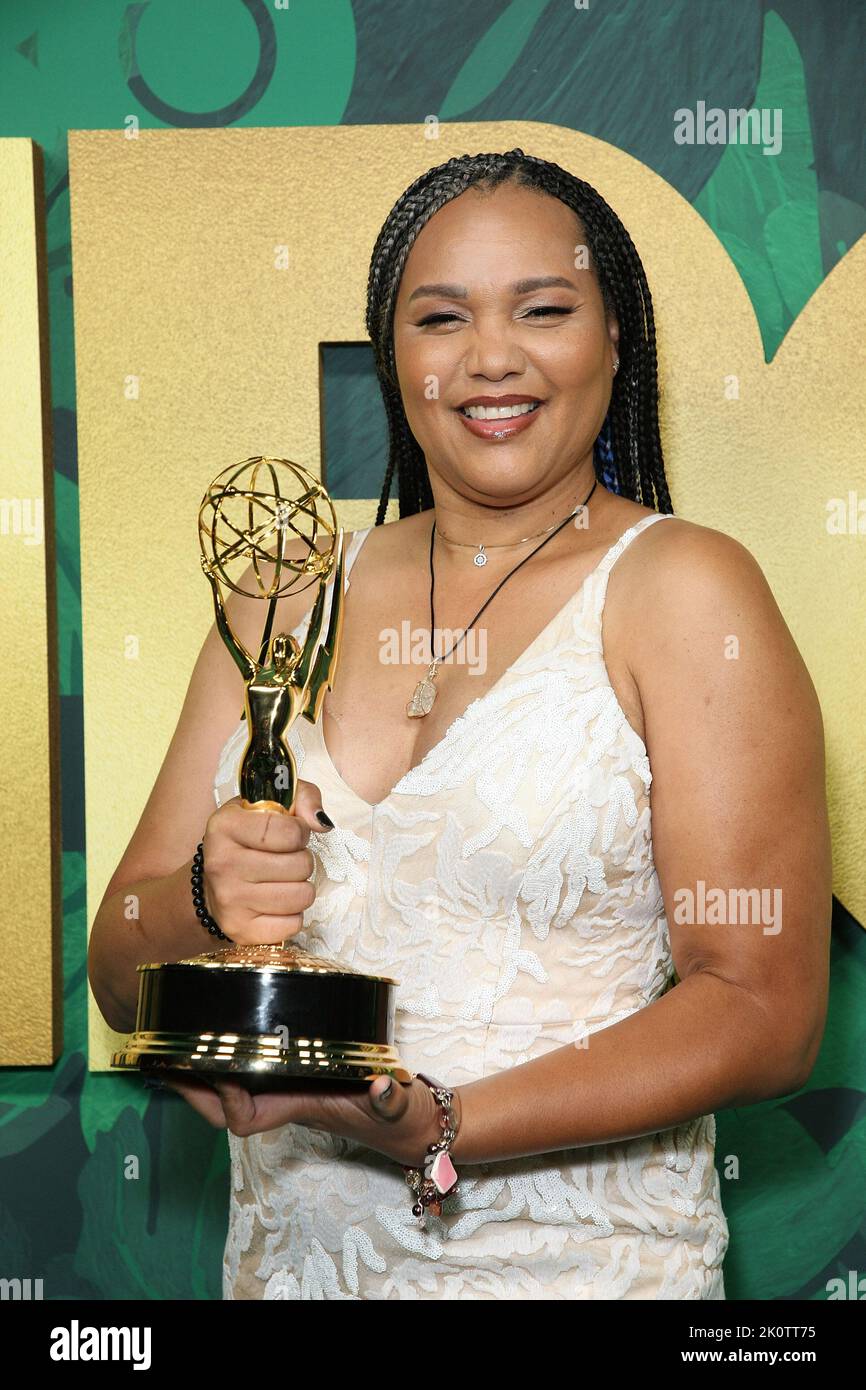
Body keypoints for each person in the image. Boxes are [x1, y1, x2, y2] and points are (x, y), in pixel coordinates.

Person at [89, 149, 832, 1300]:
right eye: (441, 318)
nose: (492, 356)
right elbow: (119, 964)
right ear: (395, 359)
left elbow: (762, 1010)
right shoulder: (286, 594)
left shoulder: (683, 589)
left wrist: (437, 1122)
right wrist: (200, 896)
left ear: (616, 338)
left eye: (543, 309)